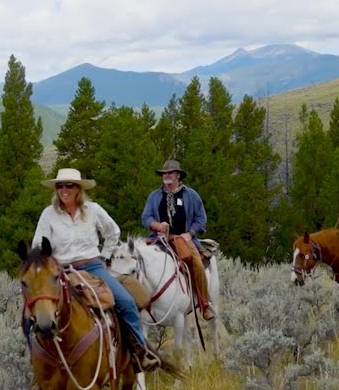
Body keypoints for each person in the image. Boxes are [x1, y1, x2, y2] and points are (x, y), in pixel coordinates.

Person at [31, 168, 160, 372]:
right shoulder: (49, 214)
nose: (64, 189)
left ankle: (139, 352)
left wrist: (104, 256)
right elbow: (38, 245)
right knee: (34, 311)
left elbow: (113, 232)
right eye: (60, 185)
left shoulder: (93, 210)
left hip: (92, 266)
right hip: (61, 270)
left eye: (69, 185)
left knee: (125, 302)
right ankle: (38, 367)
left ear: (78, 189)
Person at [142, 159, 214, 320]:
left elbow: (201, 219)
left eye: (169, 173)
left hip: (183, 238)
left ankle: (204, 303)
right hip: (159, 238)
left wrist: (191, 233)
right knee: (137, 258)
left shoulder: (191, 195)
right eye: (164, 173)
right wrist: (156, 225)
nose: (166, 176)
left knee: (196, 263)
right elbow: (145, 217)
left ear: (178, 175)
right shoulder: (155, 196)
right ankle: (140, 303)